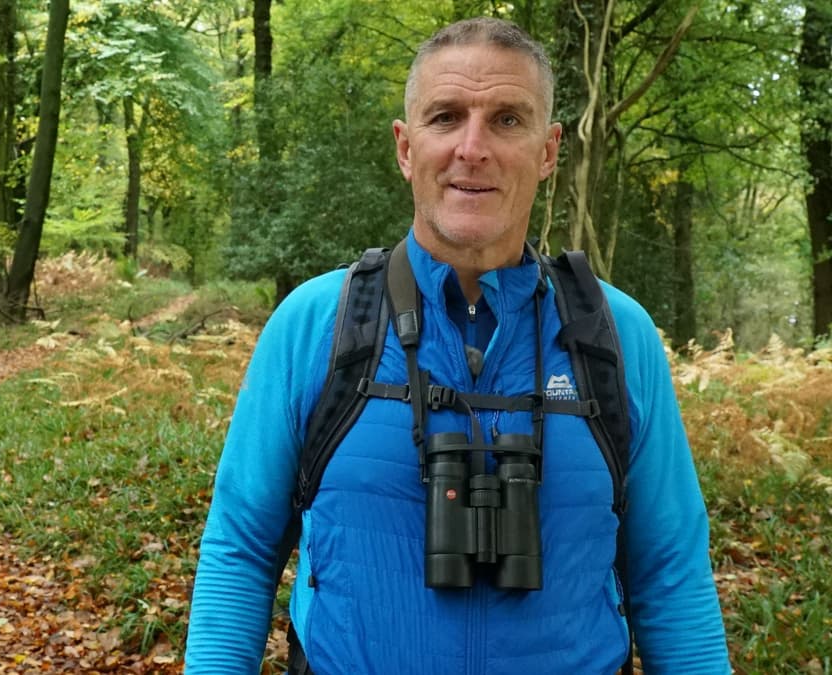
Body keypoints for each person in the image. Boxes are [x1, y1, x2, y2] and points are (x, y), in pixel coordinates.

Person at [184, 16, 730, 675]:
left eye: (507, 120)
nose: (473, 147)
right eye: (446, 117)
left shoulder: (614, 335)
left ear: (549, 150)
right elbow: (240, 549)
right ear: (406, 147)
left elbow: (671, 571)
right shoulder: (315, 324)